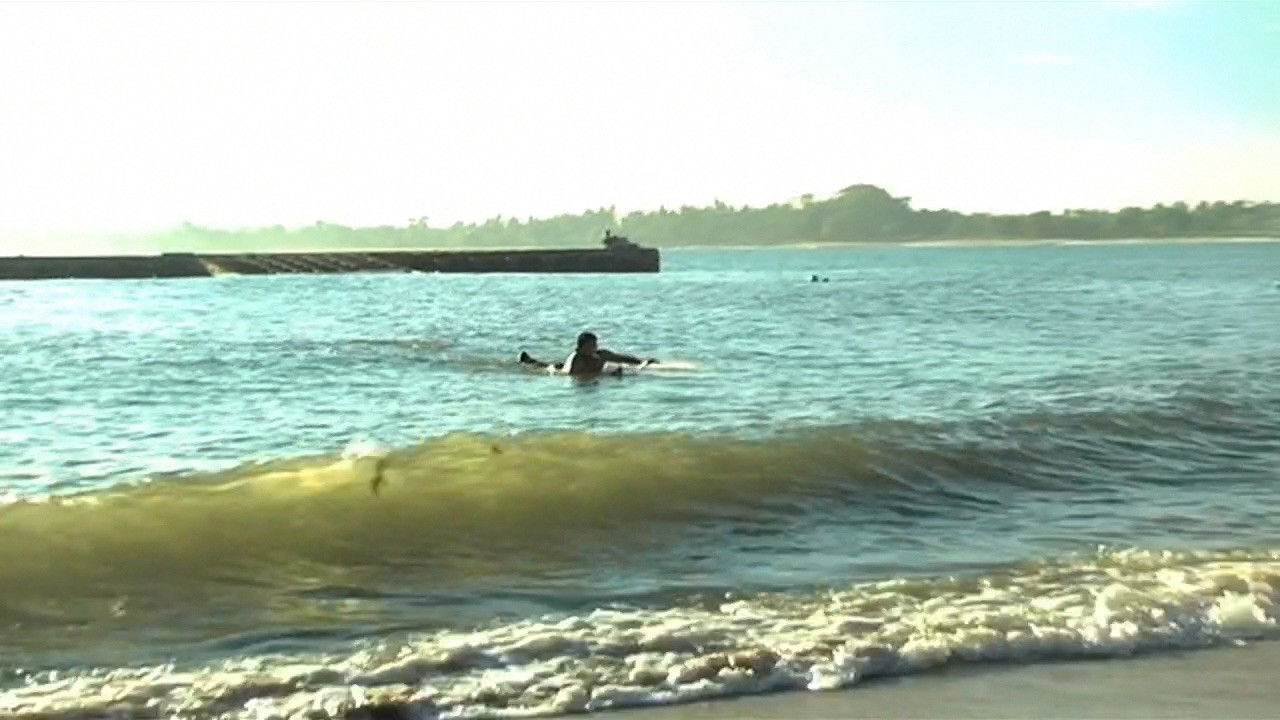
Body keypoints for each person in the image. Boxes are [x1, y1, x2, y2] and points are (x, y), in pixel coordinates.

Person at [520, 332, 656, 376]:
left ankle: (532, 361)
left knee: (608, 355)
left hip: (572, 366)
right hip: (564, 371)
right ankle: (531, 362)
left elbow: (618, 358)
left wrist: (641, 362)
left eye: (595, 345)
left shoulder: (597, 354)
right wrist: (611, 375)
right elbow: (571, 375)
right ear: (581, 347)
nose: (594, 348)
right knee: (551, 367)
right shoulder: (577, 360)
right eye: (591, 345)